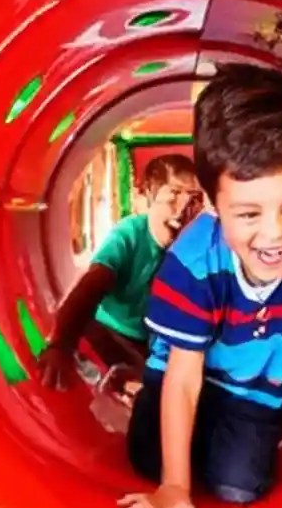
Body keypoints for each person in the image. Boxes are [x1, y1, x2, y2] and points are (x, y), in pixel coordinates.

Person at [116, 64, 282, 508]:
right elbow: (185, 375)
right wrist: (174, 485)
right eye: (249, 213)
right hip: (181, 375)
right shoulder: (191, 263)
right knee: (149, 461)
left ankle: (239, 440)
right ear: (212, 204)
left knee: (240, 487)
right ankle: (141, 400)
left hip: (254, 389)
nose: (274, 233)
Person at [38, 154, 202, 392]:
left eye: (194, 200)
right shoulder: (129, 235)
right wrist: (60, 345)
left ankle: (130, 382)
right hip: (105, 331)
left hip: (145, 343)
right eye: (173, 196)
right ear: (146, 199)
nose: (183, 210)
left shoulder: (191, 250)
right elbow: (91, 286)